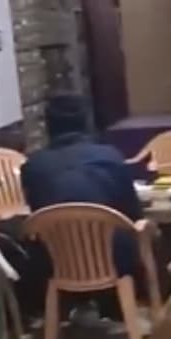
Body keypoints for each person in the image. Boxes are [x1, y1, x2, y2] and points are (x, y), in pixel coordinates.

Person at [20, 94, 144, 277]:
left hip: (56, 261)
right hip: (115, 259)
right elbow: (133, 214)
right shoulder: (110, 156)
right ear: (86, 123)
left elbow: (37, 212)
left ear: (48, 126)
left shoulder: (33, 165)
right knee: (146, 235)